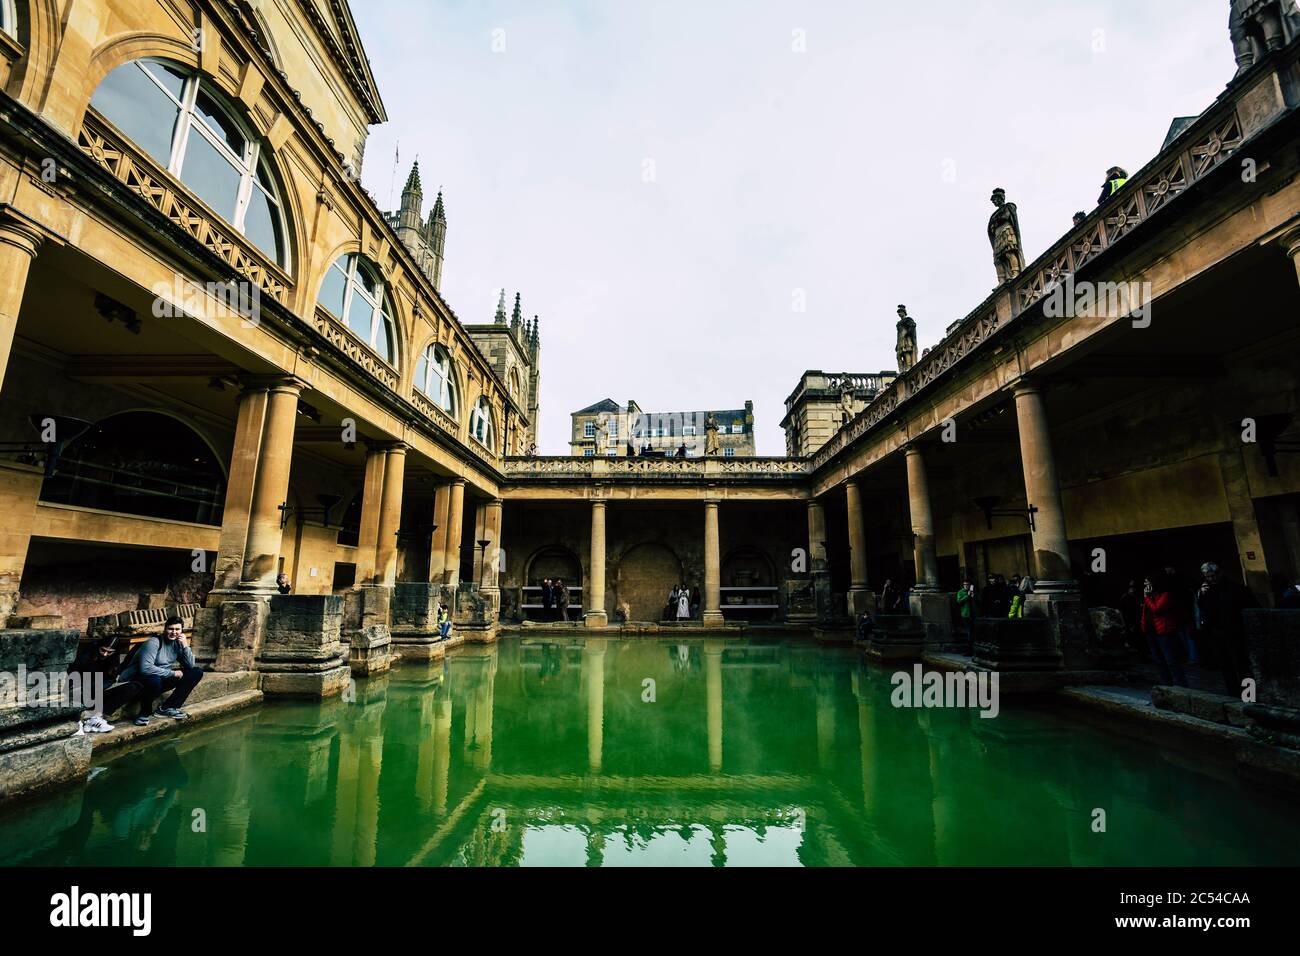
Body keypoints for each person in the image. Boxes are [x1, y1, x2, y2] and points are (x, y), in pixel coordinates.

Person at [117, 616, 204, 726]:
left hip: (159, 679)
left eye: (177, 630)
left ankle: (167, 707)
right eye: (170, 629)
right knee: (154, 680)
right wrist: (172, 673)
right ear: (165, 629)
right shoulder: (154, 642)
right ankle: (144, 713)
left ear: (182, 631)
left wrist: (185, 646)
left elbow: (190, 665)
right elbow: (145, 669)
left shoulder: (177, 643)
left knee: (196, 672)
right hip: (139, 680)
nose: (173, 632)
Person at [1195, 562, 1256, 697]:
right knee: (1226, 666)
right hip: (1218, 633)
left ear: (1219, 573)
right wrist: (1202, 596)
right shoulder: (1206, 591)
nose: (1211, 579)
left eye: (1213, 576)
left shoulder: (1236, 589)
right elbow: (1204, 611)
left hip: (1236, 632)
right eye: (1208, 577)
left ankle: (1250, 696)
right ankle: (1234, 694)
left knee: (1243, 666)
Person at [68, 637, 141, 735]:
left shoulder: (113, 659)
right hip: (82, 693)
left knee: (134, 686)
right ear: (99, 647)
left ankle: (95, 718)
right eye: (103, 650)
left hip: (99, 692)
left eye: (110, 652)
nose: (105, 654)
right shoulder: (86, 656)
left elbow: (110, 679)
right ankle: (81, 722)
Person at [1142, 573, 1188, 687]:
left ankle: (1180, 685)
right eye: (1145, 583)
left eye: (1148, 583)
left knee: (1171, 660)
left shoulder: (1165, 595)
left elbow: (1156, 609)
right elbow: (1145, 613)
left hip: (1164, 632)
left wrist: (1147, 598)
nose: (1146, 585)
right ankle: (1166, 684)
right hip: (1151, 632)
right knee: (1159, 661)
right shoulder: (1150, 597)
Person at [955, 580, 977, 645]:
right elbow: (959, 602)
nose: (966, 586)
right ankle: (969, 649)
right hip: (966, 615)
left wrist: (973, 597)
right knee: (969, 631)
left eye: (967, 584)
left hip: (973, 614)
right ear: (963, 585)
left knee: (973, 631)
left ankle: (973, 647)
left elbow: (978, 601)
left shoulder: (972, 591)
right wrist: (967, 596)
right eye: (965, 584)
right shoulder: (960, 592)